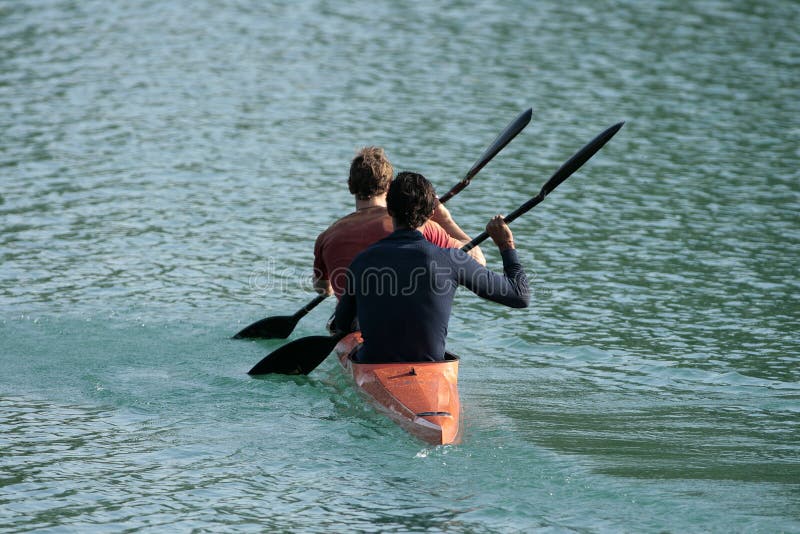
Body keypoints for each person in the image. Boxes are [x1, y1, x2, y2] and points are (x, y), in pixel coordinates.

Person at [334, 172, 529, 363]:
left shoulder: (362, 261)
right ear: (430, 215)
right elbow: (519, 295)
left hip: (373, 363)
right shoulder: (453, 259)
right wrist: (506, 245)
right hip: (432, 367)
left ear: (390, 210)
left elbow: (342, 325)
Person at [313, 147, 485, 299]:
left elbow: (323, 289)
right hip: (404, 320)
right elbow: (477, 262)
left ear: (350, 185)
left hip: (352, 321)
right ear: (389, 187)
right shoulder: (415, 226)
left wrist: (331, 284)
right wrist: (444, 220)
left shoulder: (326, 237)